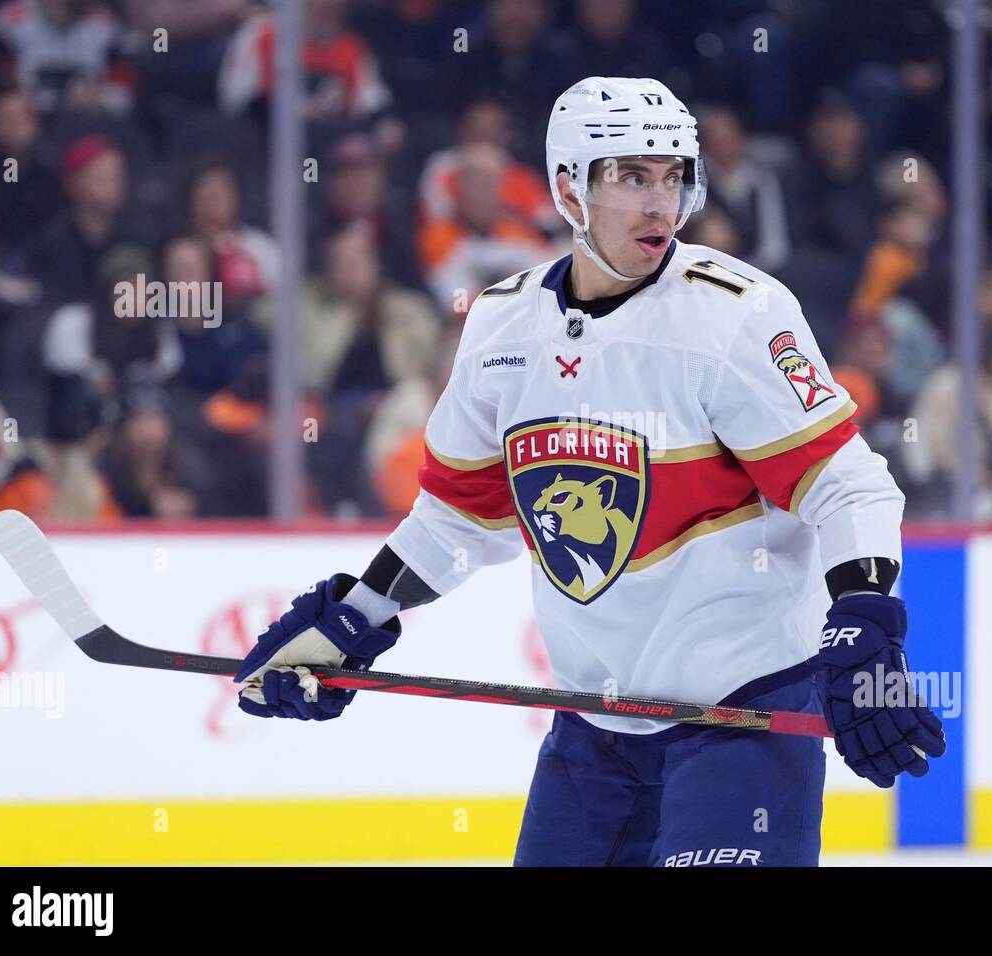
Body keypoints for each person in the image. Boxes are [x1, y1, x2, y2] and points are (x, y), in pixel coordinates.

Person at [232, 77, 945, 867]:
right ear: (570, 186)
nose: (662, 205)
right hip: (593, 732)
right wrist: (355, 619)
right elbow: (459, 519)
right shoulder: (503, 326)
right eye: (633, 176)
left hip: (741, 718)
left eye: (675, 176)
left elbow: (849, 483)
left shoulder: (735, 314)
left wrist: (865, 623)